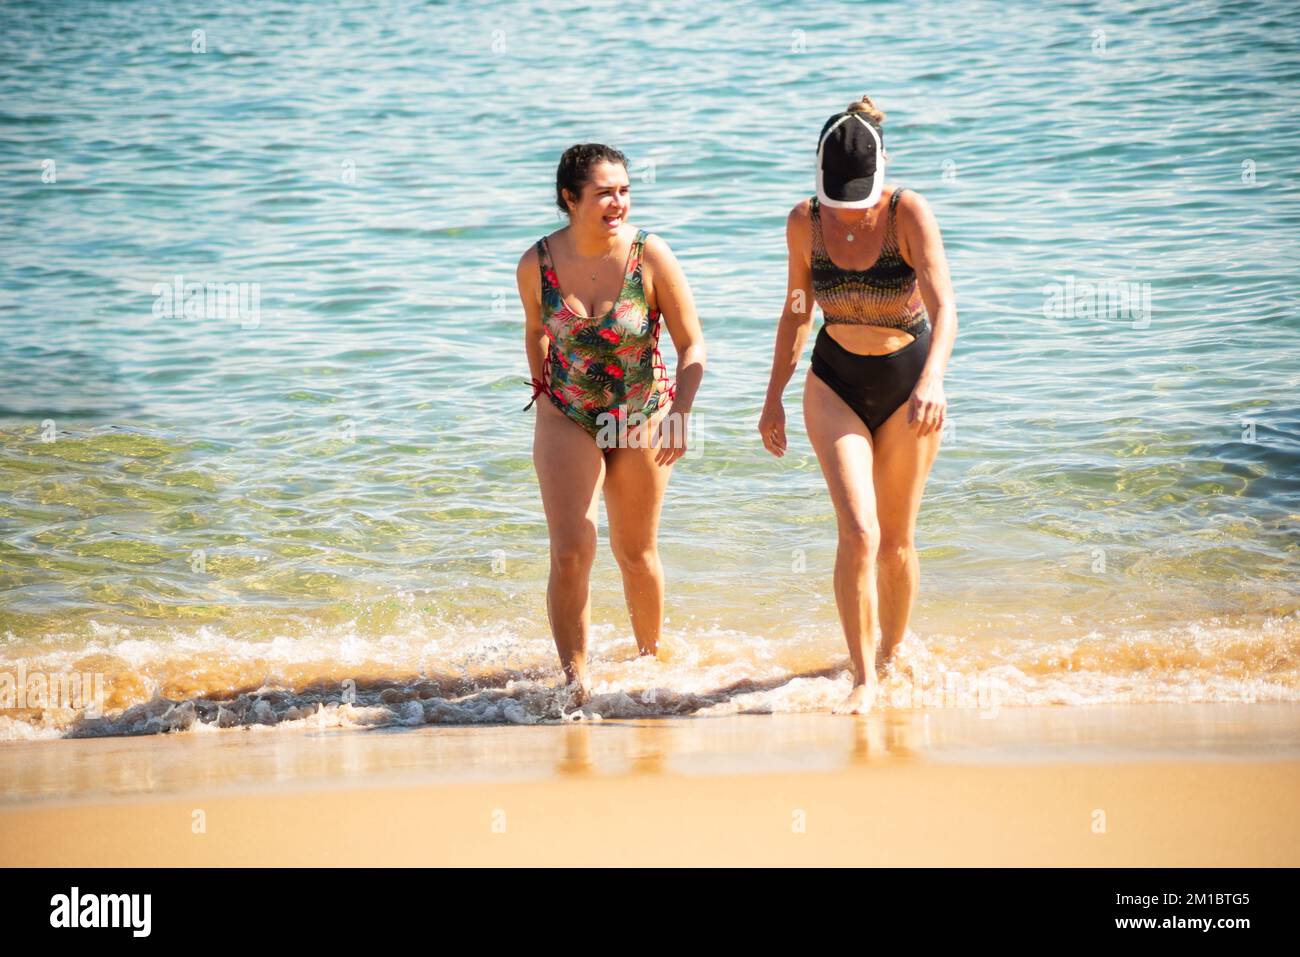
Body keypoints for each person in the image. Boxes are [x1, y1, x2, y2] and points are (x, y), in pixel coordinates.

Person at [758, 96, 957, 714]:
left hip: (909, 385)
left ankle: (893, 657)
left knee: (897, 540)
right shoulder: (803, 221)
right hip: (835, 382)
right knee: (859, 532)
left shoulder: (908, 212)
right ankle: (863, 678)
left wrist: (933, 380)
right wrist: (773, 398)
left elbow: (946, 308)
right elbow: (797, 311)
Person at [516, 143, 706, 706]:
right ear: (570, 199)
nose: (618, 202)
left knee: (635, 551)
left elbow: (692, 342)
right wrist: (542, 388)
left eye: (624, 190)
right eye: (604, 193)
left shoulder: (651, 255)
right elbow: (535, 329)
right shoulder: (537, 264)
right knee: (572, 549)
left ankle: (649, 665)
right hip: (567, 413)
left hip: (643, 411)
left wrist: (682, 411)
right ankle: (575, 685)